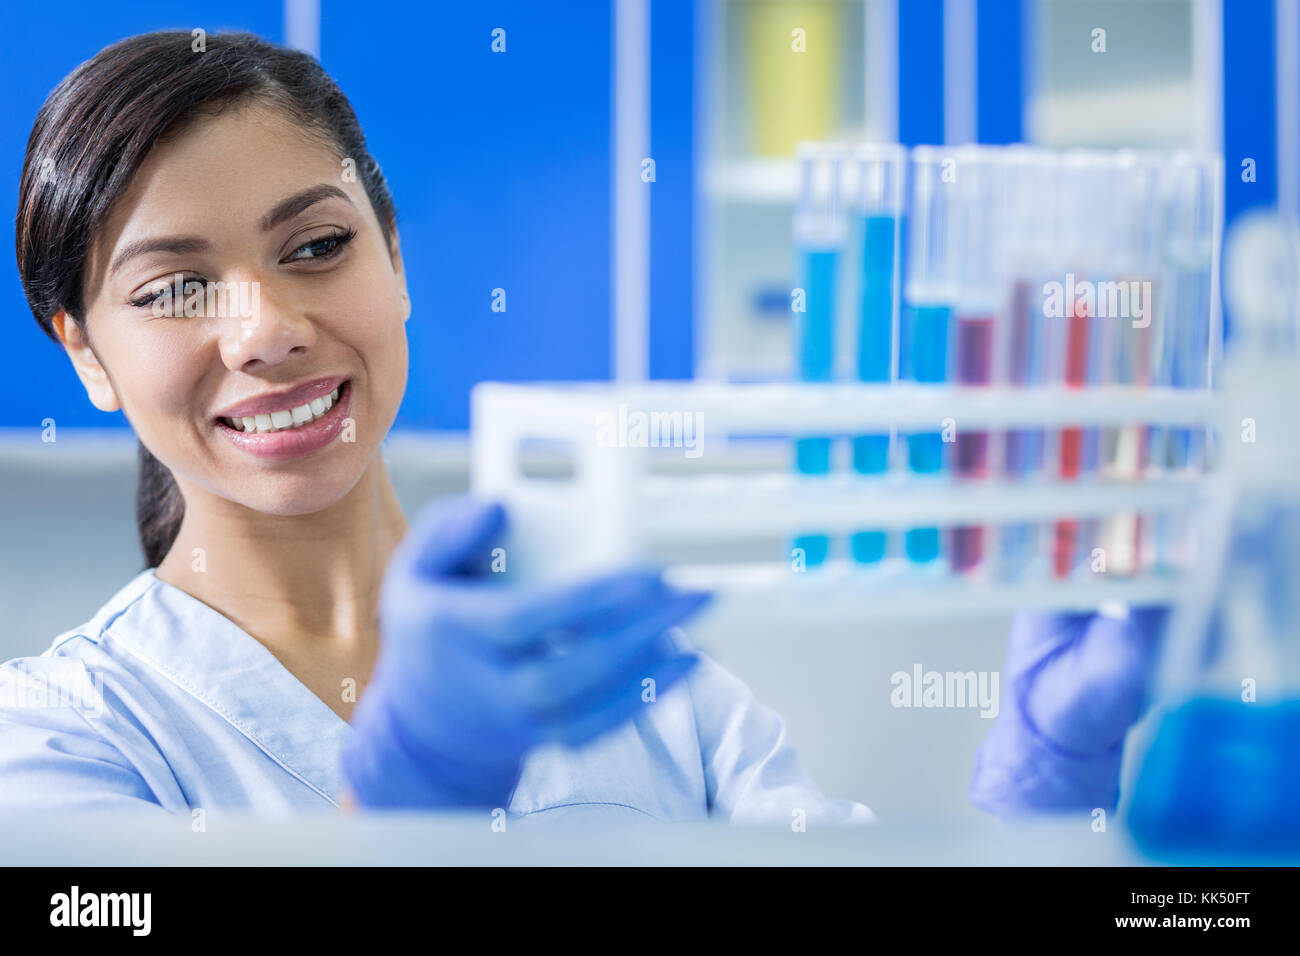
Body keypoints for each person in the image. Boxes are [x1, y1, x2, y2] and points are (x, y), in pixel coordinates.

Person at [1, 29, 1166, 825]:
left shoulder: (645, 684)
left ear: (396, 262)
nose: (265, 329)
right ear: (85, 351)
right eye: (174, 288)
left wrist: (1046, 793)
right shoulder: (61, 740)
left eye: (317, 246)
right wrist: (417, 796)